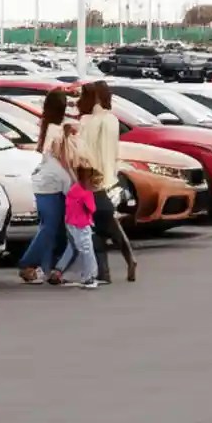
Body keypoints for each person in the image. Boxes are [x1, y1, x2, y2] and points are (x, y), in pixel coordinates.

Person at [77, 80, 137, 283]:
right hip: (110, 176)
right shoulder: (112, 120)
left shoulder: (89, 121)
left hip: (92, 177)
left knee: (95, 225)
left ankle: (105, 271)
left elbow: (84, 150)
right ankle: (125, 261)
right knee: (106, 222)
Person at [18, 88, 76, 284]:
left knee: (52, 227)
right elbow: (62, 162)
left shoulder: (48, 126)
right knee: (50, 228)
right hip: (52, 185)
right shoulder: (59, 130)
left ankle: (46, 268)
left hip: (46, 184)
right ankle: (27, 264)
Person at [47, 164, 101, 289]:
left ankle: (60, 271)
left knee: (73, 247)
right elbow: (92, 208)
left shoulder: (73, 189)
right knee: (87, 250)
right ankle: (89, 277)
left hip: (70, 223)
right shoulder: (86, 193)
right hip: (82, 224)